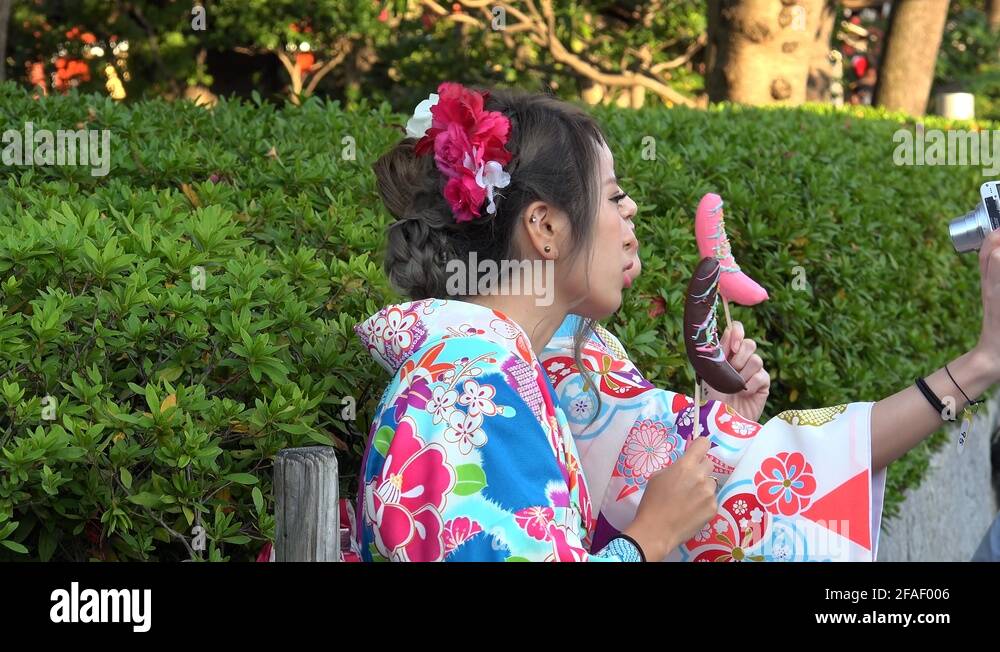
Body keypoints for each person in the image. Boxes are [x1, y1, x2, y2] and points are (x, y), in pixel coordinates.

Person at [355, 81, 1000, 562]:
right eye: (612, 195)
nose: (631, 208)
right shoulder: (469, 390)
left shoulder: (511, 368)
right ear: (545, 226)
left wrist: (720, 431)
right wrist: (647, 539)